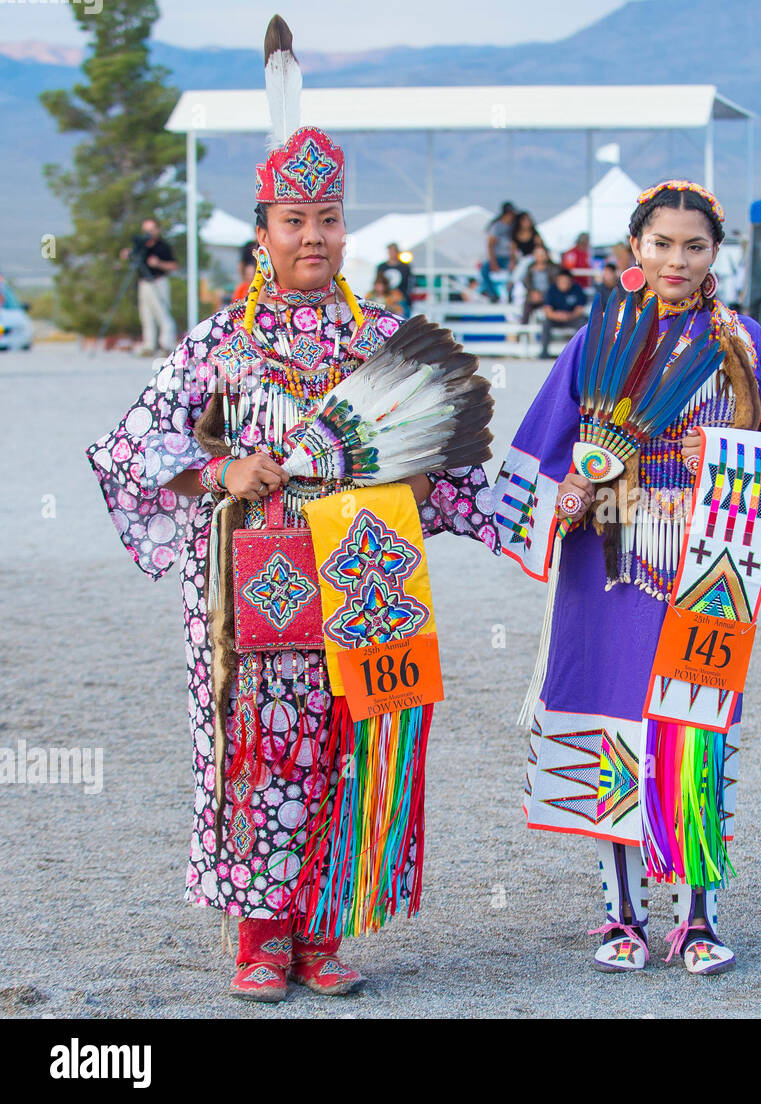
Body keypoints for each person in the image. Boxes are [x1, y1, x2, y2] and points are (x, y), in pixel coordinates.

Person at [86, 18, 498, 1005]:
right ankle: (260, 935)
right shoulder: (221, 343)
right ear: (263, 229)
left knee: (350, 749)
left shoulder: (385, 341)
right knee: (262, 746)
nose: (312, 237)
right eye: (293, 220)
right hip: (252, 580)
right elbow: (134, 445)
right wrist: (221, 469)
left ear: (343, 226)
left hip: (361, 571)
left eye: (327, 218)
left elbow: (446, 464)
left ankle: (323, 931)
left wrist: (545, 509)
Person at [493, 180, 761, 976]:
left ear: (717, 253)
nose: (678, 259)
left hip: (711, 561)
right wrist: (562, 494)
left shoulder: (745, 344)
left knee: (695, 724)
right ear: (635, 247)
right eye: (662, 243)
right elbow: (544, 440)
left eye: (695, 246)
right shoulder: (599, 337)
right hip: (608, 563)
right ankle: (621, 912)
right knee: (613, 720)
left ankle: (698, 916)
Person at [119, 217, 178, 355]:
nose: (148, 234)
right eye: (146, 230)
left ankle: (166, 344)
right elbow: (131, 257)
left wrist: (159, 264)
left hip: (158, 281)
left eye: (151, 230)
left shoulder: (162, 246)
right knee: (146, 314)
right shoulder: (141, 247)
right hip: (144, 282)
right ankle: (149, 345)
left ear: (158, 230)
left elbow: (174, 265)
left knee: (163, 313)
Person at [538, 266, 587, 357]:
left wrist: (569, 316)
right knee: (545, 324)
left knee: (583, 325)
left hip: (572, 318)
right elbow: (548, 311)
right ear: (557, 281)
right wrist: (559, 316)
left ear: (571, 281)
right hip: (555, 319)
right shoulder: (551, 290)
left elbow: (580, 310)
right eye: (562, 282)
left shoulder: (577, 289)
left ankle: (582, 353)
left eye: (567, 282)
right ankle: (544, 352)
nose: (564, 284)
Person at [481, 202, 517, 303]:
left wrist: (513, 260)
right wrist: (493, 262)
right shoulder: (496, 226)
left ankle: (510, 293)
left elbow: (514, 246)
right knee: (484, 270)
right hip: (498, 257)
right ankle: (492, 294)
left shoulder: (514, 226)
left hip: (509, 257)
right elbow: (490, 246)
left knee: (516, 273)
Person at [375, 242, 412, 317]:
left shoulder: (405, 267)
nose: (391, 254)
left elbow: (409, 283)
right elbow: (378, 281)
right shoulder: (381, 267)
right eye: (389, 251)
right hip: (385, 298)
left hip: (400, 299)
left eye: (393, 251)